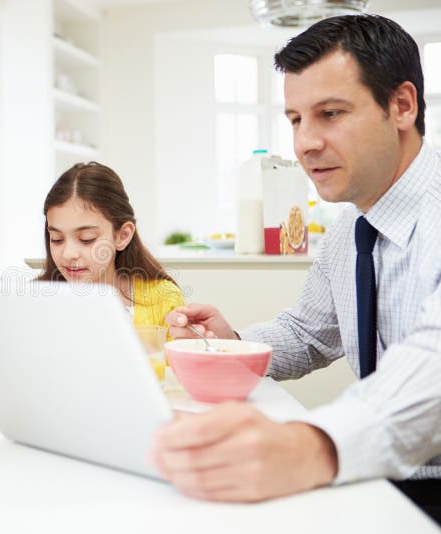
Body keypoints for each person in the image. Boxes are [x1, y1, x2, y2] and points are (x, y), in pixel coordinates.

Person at [154, 14, 441, 522]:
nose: (305, 142)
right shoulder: (351, 227)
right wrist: (232, 343)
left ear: (402, 105)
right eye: (295, 119)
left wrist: (312, 446)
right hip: (383, 477)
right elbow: (310, 331)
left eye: (330, 113)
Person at [38, 162, 183, 328]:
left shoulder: (164, 300)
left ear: (122, 236)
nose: (68, 254)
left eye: (87, 239)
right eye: (57, 239)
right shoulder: (36, 301)